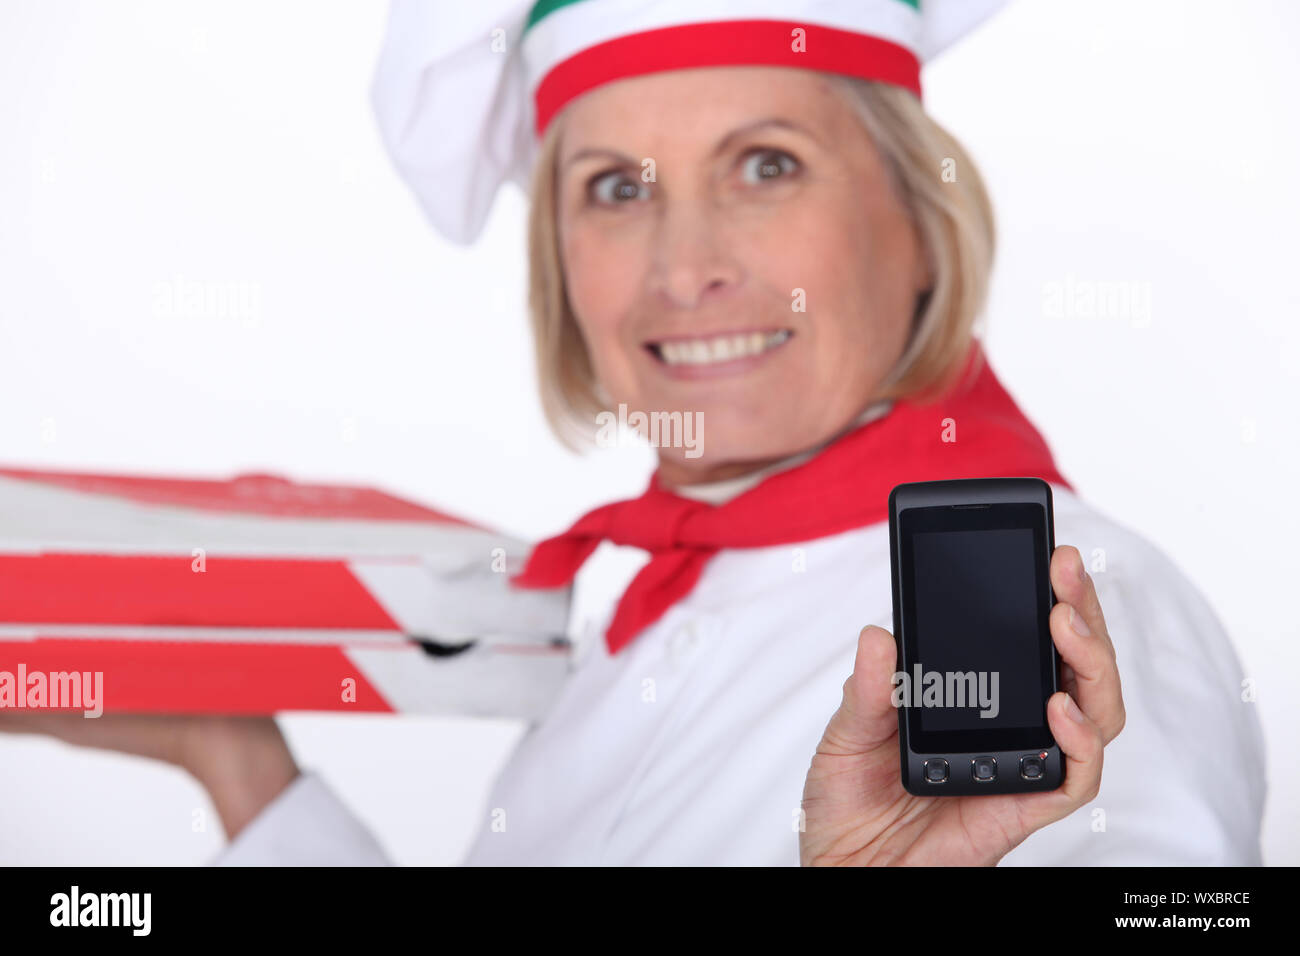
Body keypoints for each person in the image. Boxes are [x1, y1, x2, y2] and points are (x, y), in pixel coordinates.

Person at [0, 0, 1266, 866]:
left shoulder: (1067, 617)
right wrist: (233, 758)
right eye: (615, 188)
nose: (684, 264)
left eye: (765, 163)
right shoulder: (638, 621)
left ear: (920, 221)